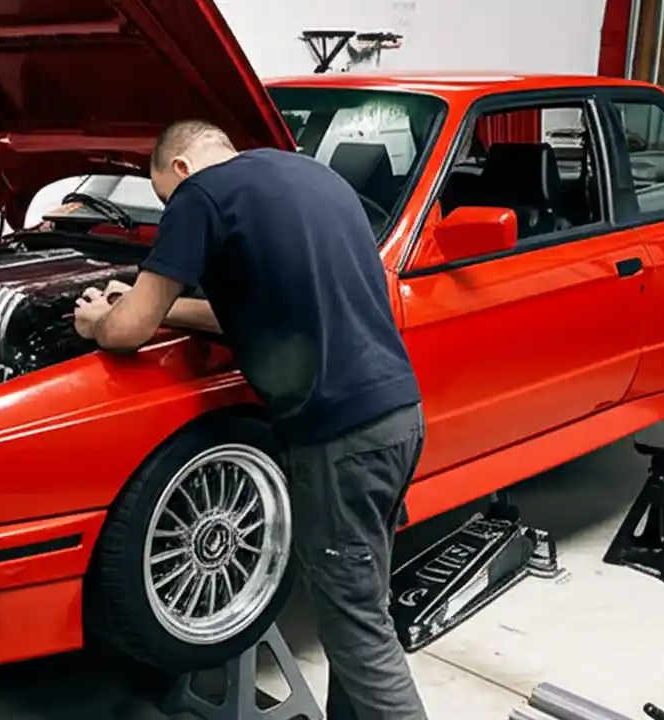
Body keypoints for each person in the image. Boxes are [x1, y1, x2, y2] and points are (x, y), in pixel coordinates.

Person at [73, 119, 428, 720]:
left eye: (164, 197)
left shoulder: (200, 195)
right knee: (362, 608)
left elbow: (128, 332)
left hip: (337, 437)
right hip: (399, 417)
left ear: (179, 170)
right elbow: (268, 309)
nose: (172, 208)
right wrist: (169, 313)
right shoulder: (318, 178)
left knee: (357, 629)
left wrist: (100, 320)